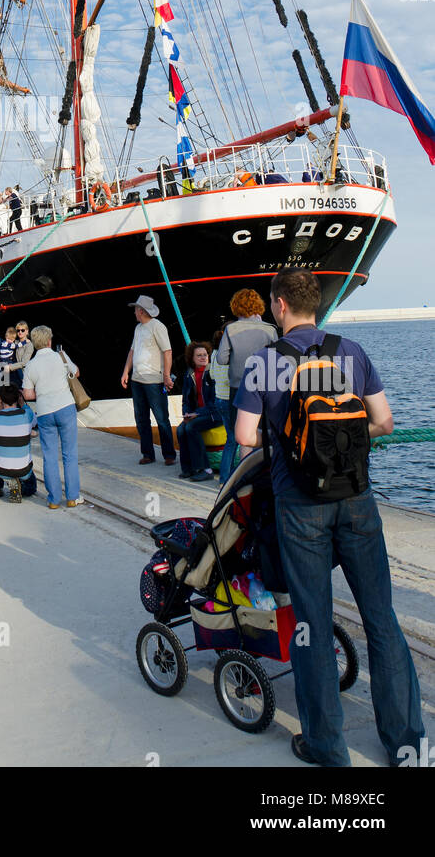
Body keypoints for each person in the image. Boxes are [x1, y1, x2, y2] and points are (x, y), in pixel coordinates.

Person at [234, 268, 424, 768]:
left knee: (312, 625)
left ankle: (327, 746)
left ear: (278, 306)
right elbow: (384, 422)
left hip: (299, 506)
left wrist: (292, 442)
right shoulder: (352, 351)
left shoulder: (264, 362)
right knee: (381, 619)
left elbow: (245, 436)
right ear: (317, 303)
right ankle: (406, 745)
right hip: (357, 500)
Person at [214, 289, 277, 484]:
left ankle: (245, 478)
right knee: (266, 433)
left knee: (242, 436)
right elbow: (278, 359)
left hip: (239, 388)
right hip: (265, 387)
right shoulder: (270, 329)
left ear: (236, 307)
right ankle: (268, 474)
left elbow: (222, 359)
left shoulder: (231, 330)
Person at [21, 326, 82, 508]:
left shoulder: (31, 365)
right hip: (65, 407)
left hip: (45, 411)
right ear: (49, 341)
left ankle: (54, 499)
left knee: (49, 456)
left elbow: (28, 394)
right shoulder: (60, 356)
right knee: (69, 454)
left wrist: (42, 392)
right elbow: (76, 373)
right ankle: (72, 497)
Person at [120, 296, 175, 467]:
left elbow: (167, 351)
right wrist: (125, 372)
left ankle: (169, 454)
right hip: (137, 380)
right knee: (141, 418)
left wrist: (166, 375)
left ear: (141, 311)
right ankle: (148, 453)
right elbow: (132, 351)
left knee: (161, 418)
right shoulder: (138, 328)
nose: (134, 312)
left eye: (136, 309)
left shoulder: (157, 327)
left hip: (154, 380)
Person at [175, 341, 221, 483]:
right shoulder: (189, 375)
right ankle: (188, 468)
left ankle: (205, 469)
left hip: (215, 414)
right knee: (180, 430)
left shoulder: (212, 374)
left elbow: (215, 403)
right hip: (197, 414)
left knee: (191, 427)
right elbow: (185, 401)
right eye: (199, 355)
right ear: (192, 358)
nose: (203, 357)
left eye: (205, 355)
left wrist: (198, 414)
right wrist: (187, 414)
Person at [0, 386, 37, 502]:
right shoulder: (27, 414)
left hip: (0, 469)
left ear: (0, 399)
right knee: (31, 487)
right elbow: (36, 424)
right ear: (18, 398)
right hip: (23, 469)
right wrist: (23, 404)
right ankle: (22, 487)